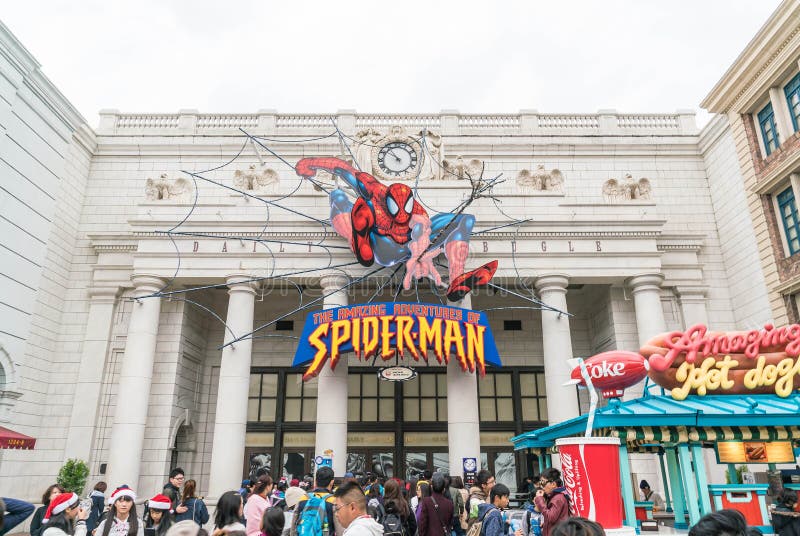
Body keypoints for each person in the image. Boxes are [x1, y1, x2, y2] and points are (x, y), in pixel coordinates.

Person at [291, 466, 337, 536]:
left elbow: (293, 526)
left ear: (315, 481)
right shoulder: (334, 501)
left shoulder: (303, 498)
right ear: (332, 482)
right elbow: (339, 529)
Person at [533, 469, 571, 536]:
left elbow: (551, 518)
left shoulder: (558, 498)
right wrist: (546, 524)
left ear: (553, 484)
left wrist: (539, 499)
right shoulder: (555, 496)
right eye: (540, 482)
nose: (541, 486)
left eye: (543, 483)